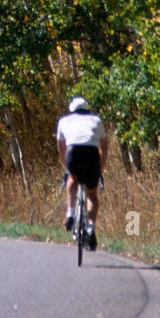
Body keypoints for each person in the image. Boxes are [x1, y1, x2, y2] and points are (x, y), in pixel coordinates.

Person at [56, 96, 108, 251]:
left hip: (73, 152)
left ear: (71, 110)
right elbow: (104, 148)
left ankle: (70, 213)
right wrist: (100, 169)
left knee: (72, 178)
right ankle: (91, 227)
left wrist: (67, 166)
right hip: (91, 153)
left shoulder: (63, 121)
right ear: (87, 109)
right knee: (92, 194)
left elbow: (61, 148)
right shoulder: (96, 120)